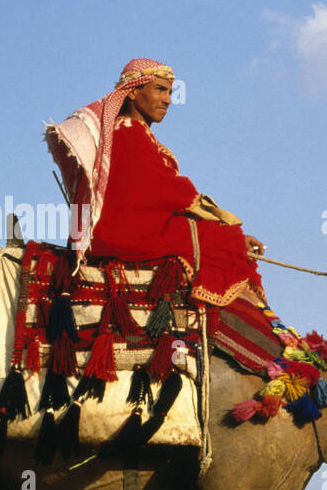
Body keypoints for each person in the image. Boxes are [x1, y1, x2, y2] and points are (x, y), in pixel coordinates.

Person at [45, 58, 267, 307]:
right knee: (226, 239)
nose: (168, 99)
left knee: (227, 236)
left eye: (170, 92)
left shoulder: (133, 132)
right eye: (160, 89)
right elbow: (162, 189)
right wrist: (224, 224)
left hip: (135, 226)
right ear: (132, 92)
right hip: (123, 232)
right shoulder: (127, 132)